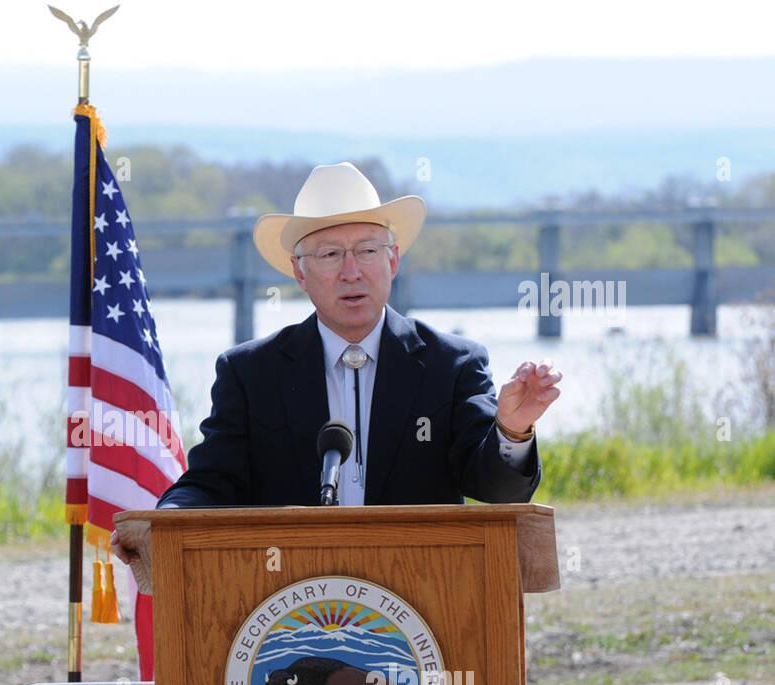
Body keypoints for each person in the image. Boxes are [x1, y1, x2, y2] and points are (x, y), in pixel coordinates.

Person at [123, 161, 562, 528]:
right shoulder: (251, 373)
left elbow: (498, 491)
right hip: (292, 608)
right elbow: (213, 483)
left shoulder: (452, 365)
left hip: (420, 602)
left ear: (392, 260)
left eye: (367, 251)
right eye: (330, 255)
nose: (352, 271)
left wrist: (511, 431)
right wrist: (166, 519)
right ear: (299, 272)